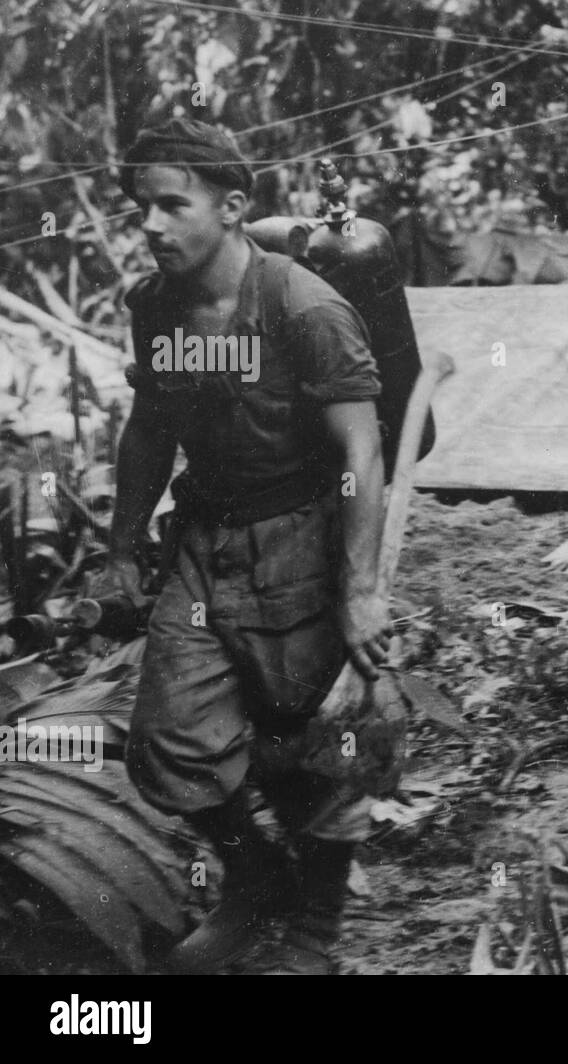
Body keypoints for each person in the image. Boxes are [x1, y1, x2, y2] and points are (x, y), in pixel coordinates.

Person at [94, 117, 392, 974]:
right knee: (169, 739)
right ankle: (256, 877)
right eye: (140, 208)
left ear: (230, 207)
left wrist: (362, 586)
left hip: (301, 539)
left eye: (169, 205)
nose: (150, 225)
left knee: (311, 744)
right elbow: (149, 427)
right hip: (202, 543)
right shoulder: (154, 306)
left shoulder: (305, 308)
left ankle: (315, 932)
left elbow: (360, 453)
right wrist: (121, 548)